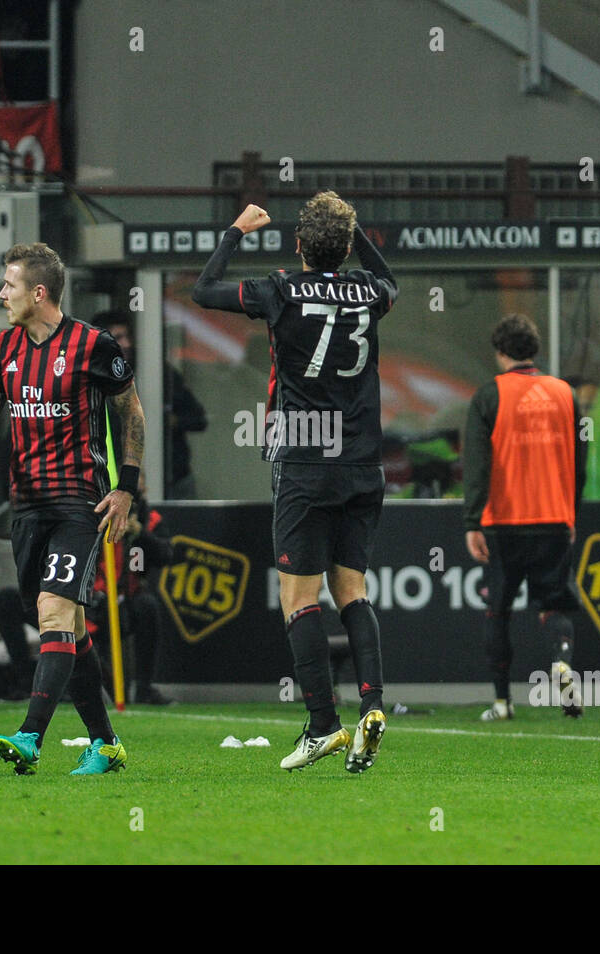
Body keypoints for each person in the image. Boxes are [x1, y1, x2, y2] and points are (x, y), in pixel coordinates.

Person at [191, 192, 397, 774]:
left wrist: (235, 231)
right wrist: (357, 241)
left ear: (300, 245)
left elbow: (204, 291)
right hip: (363, 463)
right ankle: (374, 705)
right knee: (352, 590)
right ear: (348, 245)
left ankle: (324, 725)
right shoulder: (369, 291)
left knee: (298, 598)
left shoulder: (280, 288)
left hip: (307, 463)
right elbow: (392, 283)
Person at [0, 242, 144, 778]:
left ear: (38, 293)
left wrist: (125, 488)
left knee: (52, 612)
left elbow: (130, 413)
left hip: (78, 502)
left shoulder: (93, 345)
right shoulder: (5, 345)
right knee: (72, 628)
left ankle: (30, 736)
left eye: (9, 286)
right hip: (28, 505)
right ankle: (106, 745)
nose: (2, 294)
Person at [464, 313, 586, 721]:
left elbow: (477, 466)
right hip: (554, 518)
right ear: (534, 350)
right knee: (554, 605)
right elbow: (580, 462)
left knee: (498, 610)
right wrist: (572, 513)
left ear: (500, 353)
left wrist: (471, 521)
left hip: (504, 522)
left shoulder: (488, 396)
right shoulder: (565, 394)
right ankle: (562, 662)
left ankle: (502, 702)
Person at [85, 474, 177, 704]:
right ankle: (100, 689)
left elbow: (166, 555)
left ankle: (144, 688)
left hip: (128, 599)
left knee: (148, 606)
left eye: (140, 480)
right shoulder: (92, 512)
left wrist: (139, 533)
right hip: (92, 600)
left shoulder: (150, 519)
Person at [95, 311, 208, 499]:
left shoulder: (158, 373)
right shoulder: (91, 379)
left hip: (172, 478)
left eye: (127, 337)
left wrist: (170, 420)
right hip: (111, 481)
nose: (126, 344)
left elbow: (198, 419)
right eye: (118, 338)